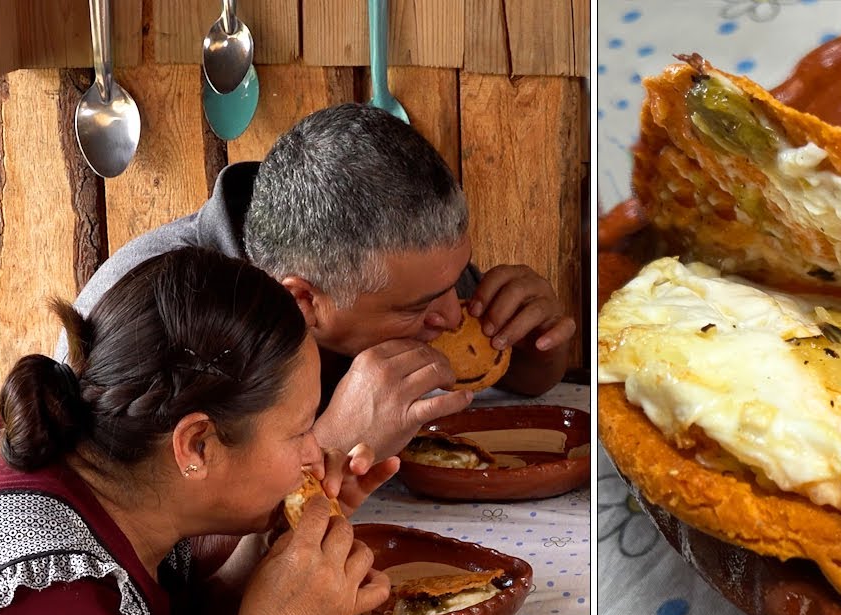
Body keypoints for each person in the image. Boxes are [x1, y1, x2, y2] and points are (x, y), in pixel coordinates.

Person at [0, 247, 394, 615]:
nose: (316, 454)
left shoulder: (83, 460)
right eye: (301, 430)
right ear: (197, 446)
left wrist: (275, 558)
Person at [59, 104, 577, 461]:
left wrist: (534, 347)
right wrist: (332, 445)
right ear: (303, 299)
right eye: (419, 307)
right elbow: (144, 553)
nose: (452, 314)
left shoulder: (405, 261)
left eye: (454, 280)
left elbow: (513, 378)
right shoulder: (149, 322)